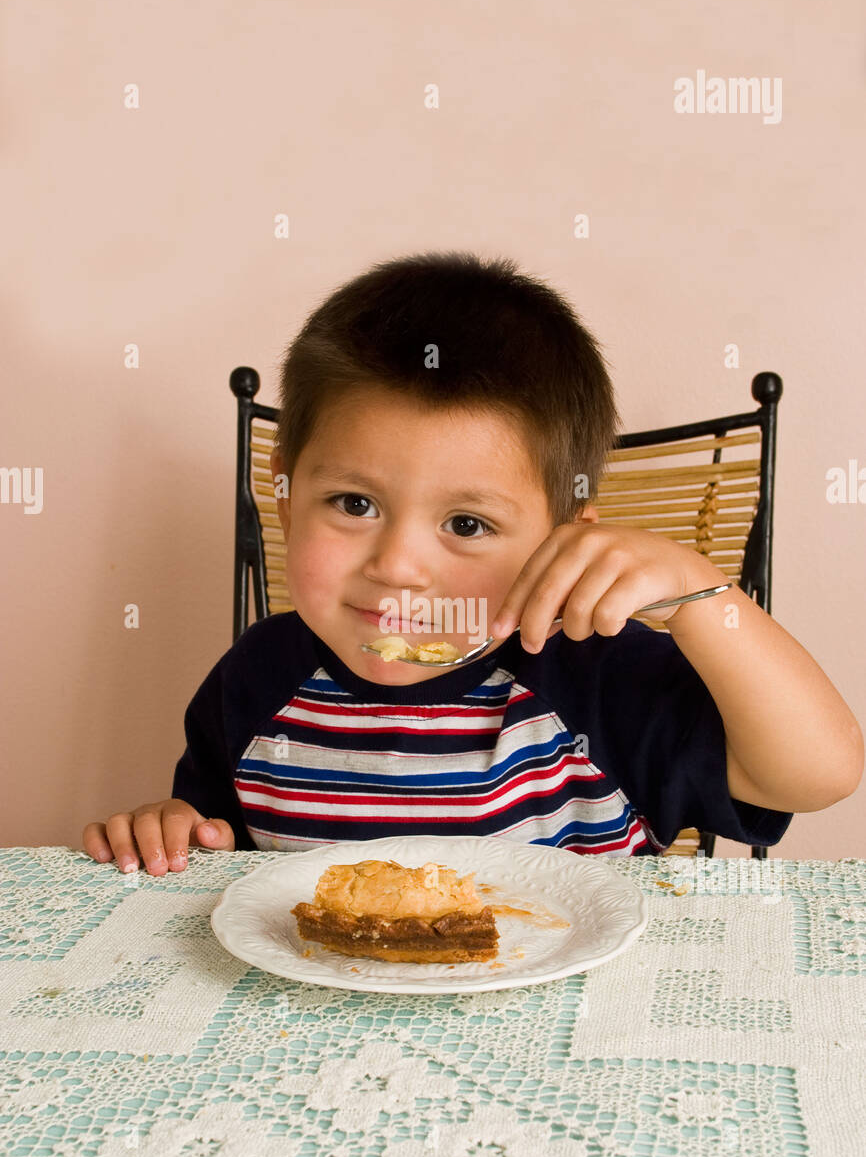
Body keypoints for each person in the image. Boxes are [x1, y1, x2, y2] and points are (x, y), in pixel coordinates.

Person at [82, 251, 863, 875]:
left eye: (466, 522)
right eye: (354, 505)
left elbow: (818, 774)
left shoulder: (603, 679)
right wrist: (175, 833)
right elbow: (217, 851)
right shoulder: (257, 675)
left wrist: (701, 594)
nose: (397, 566)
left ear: (562, 541)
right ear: (284, 496)